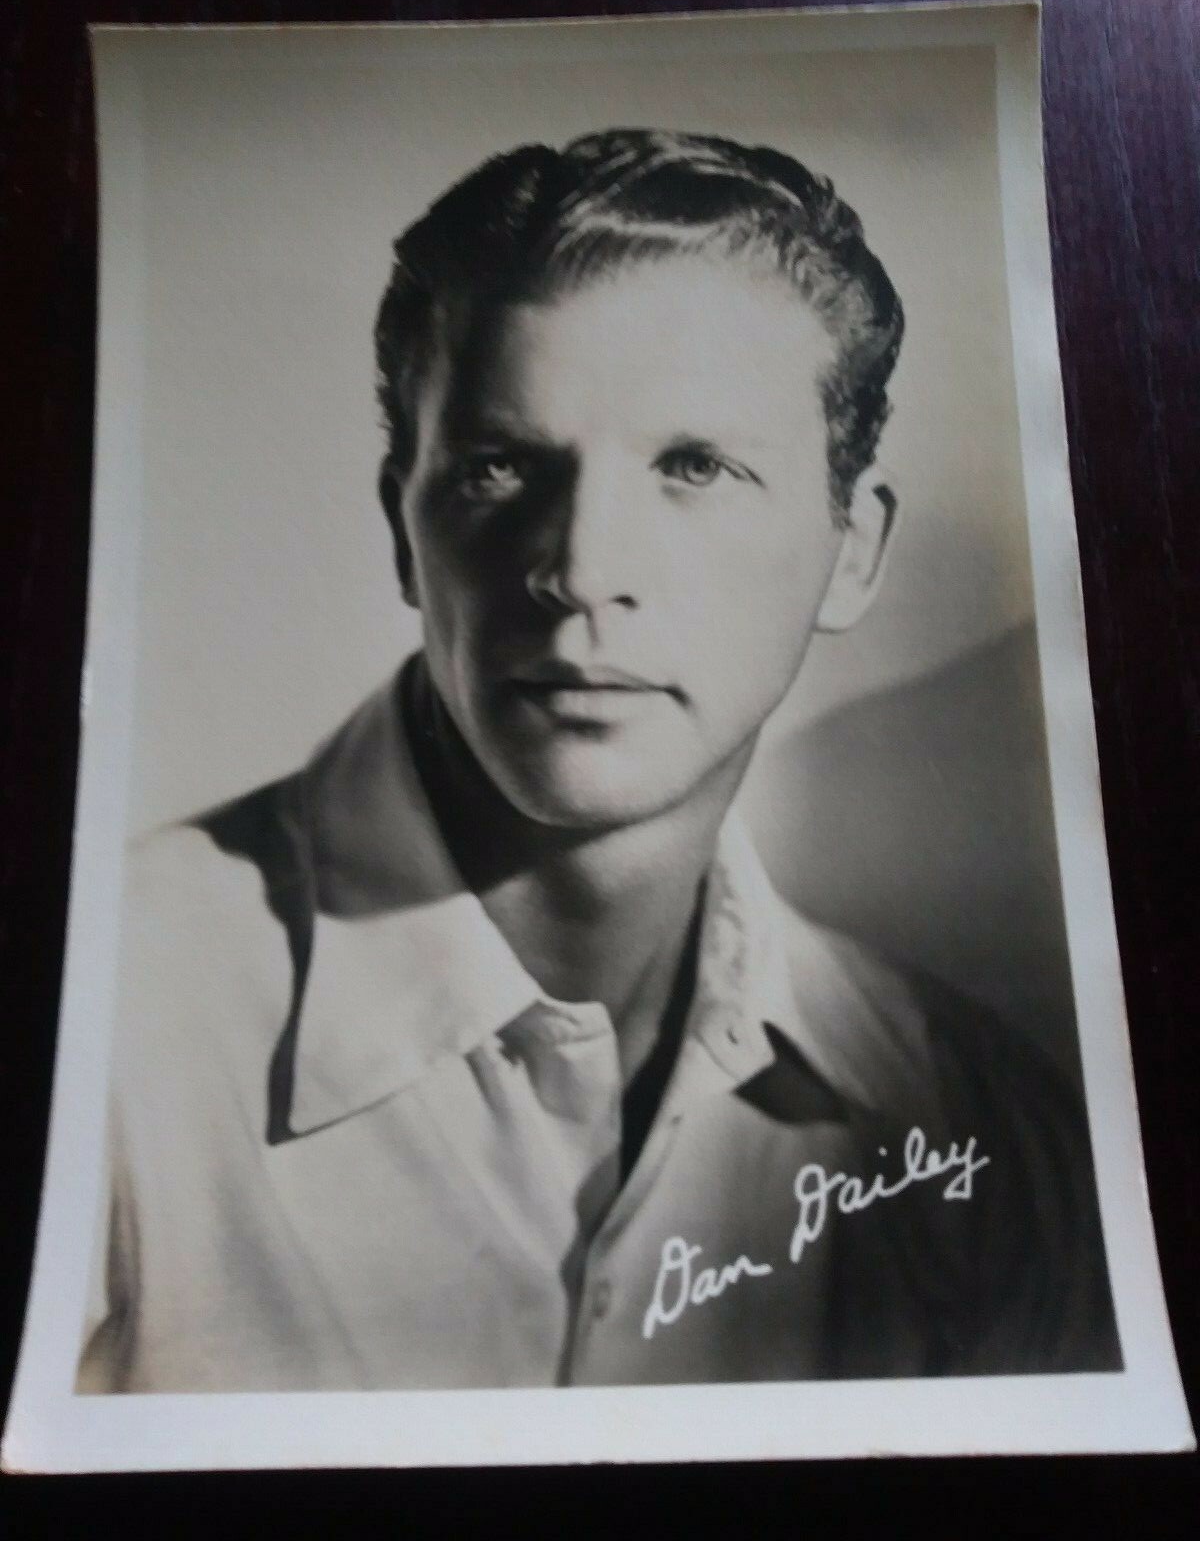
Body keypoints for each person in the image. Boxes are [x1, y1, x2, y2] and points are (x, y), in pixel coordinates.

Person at [78, 129, 1120, 1392]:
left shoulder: (992, 1136)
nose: (581, 570)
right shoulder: (101, 1033)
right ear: (403, 530)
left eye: (696, 467)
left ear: (852, 548)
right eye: (499, 468)